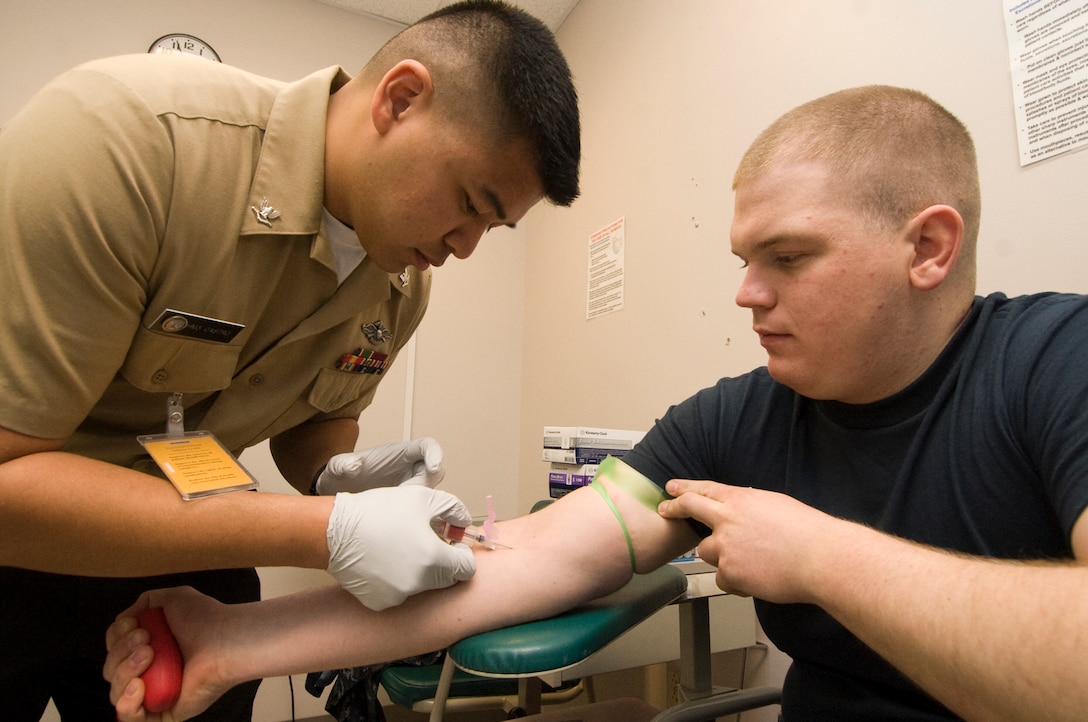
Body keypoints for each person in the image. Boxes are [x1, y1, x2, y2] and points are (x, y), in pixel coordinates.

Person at [105, 84, 1088, 722]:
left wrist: (818, 553)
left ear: (927, 247)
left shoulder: (1054, 363)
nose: (746, 292)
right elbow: (518, 565)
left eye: (786, 257)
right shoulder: (732, 422)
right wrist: (233, 640)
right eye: (744, 260)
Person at [0, 1, 580, 719]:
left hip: (186, 563)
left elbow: (318, 417)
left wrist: (332, 475)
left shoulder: (402, 280)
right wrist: (328, 532)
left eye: (493, 225)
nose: (466, 247)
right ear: (399, 100)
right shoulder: (129, 144)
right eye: (469, 202)